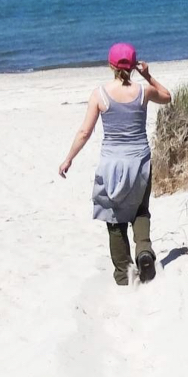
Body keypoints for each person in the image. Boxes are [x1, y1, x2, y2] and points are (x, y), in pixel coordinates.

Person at [59, 42, 172, 285]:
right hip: (140, 162)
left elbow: (84, 132)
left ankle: (123, 274)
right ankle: (143, 251)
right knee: (140, 211)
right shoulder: (143, 91)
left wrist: (69, 158)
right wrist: (148, 76)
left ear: (110, 65)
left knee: (114, 217)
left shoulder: (100, 94)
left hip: (111, 165)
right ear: (133, 66)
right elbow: (167, 96)